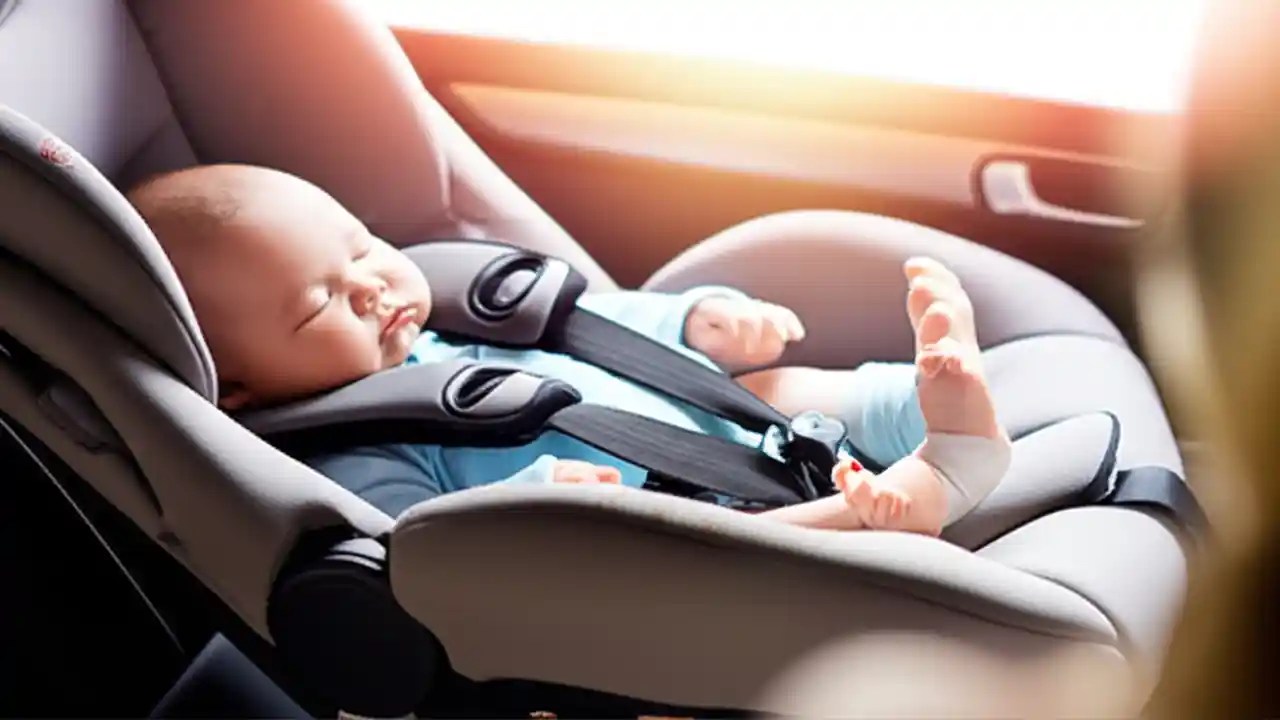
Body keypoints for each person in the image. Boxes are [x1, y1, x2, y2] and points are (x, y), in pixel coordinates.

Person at [126, 163, 1011, 536]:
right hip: (685, 524)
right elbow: (418, 548)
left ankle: (927, 395)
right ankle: (921, 490)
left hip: (726, 424)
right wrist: (527, 504)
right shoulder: (347, 456)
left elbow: (614, 332)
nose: (371, 288)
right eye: (319, 302)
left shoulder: (456, 314)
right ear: (235, 388)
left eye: (359, 247)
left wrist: (702, 320)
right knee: (699, 546)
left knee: (779, 383)